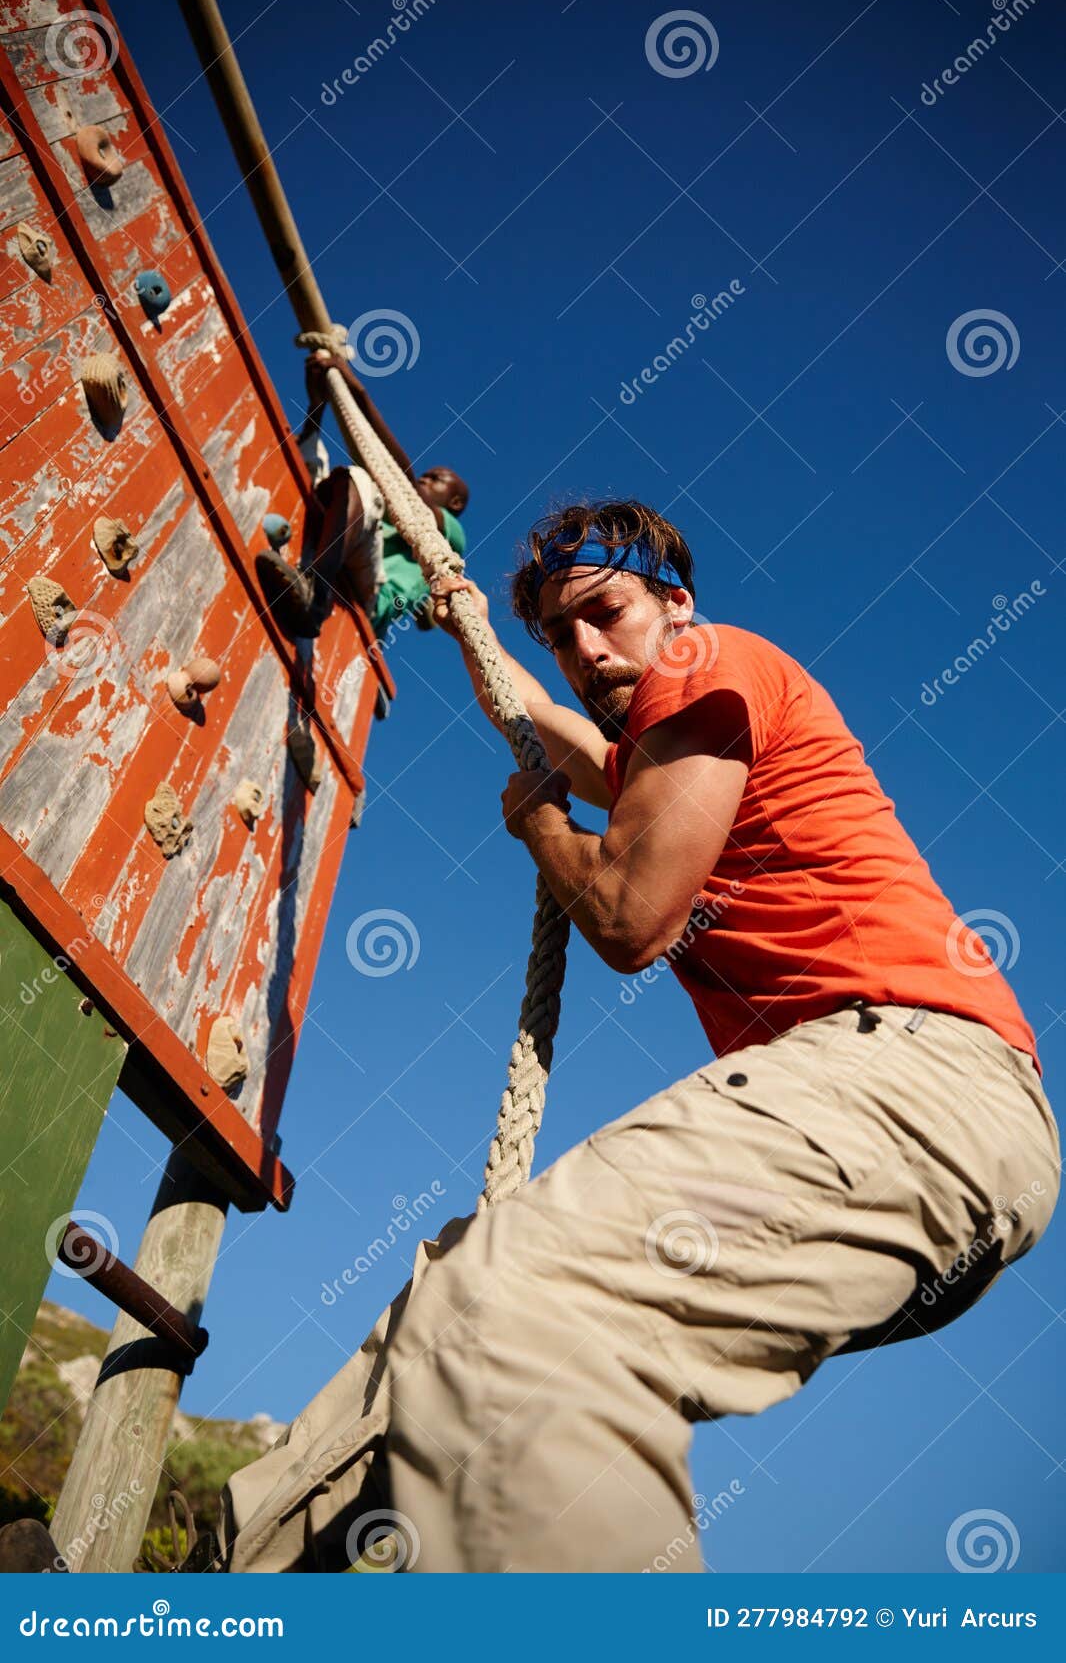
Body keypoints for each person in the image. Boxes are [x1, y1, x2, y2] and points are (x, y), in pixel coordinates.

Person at [218, 498, 1058, 1574]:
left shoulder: (712, 664)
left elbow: (626, 915)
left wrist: (538, 828)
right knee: (443, 1320)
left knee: (516, 1305)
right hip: (936, 1140)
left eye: (606, 613)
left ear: (676, 605)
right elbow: (536, 719)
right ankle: (236, 1591)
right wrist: (448, 607)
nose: (586, 651)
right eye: (563, 637)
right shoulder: (659, 760)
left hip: (915, 1080)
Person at [258, 352, 468, 640]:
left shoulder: (451, 535)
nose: (424, 478)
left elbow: (403, 478)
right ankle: (317, 575)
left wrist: (359, 392)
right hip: (347, 545)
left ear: (455, 502)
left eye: (435, 479)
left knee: (361, 483)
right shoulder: (377, 511)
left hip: (376, 598)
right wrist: (318, 405)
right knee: (320, 464)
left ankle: (316, 596)